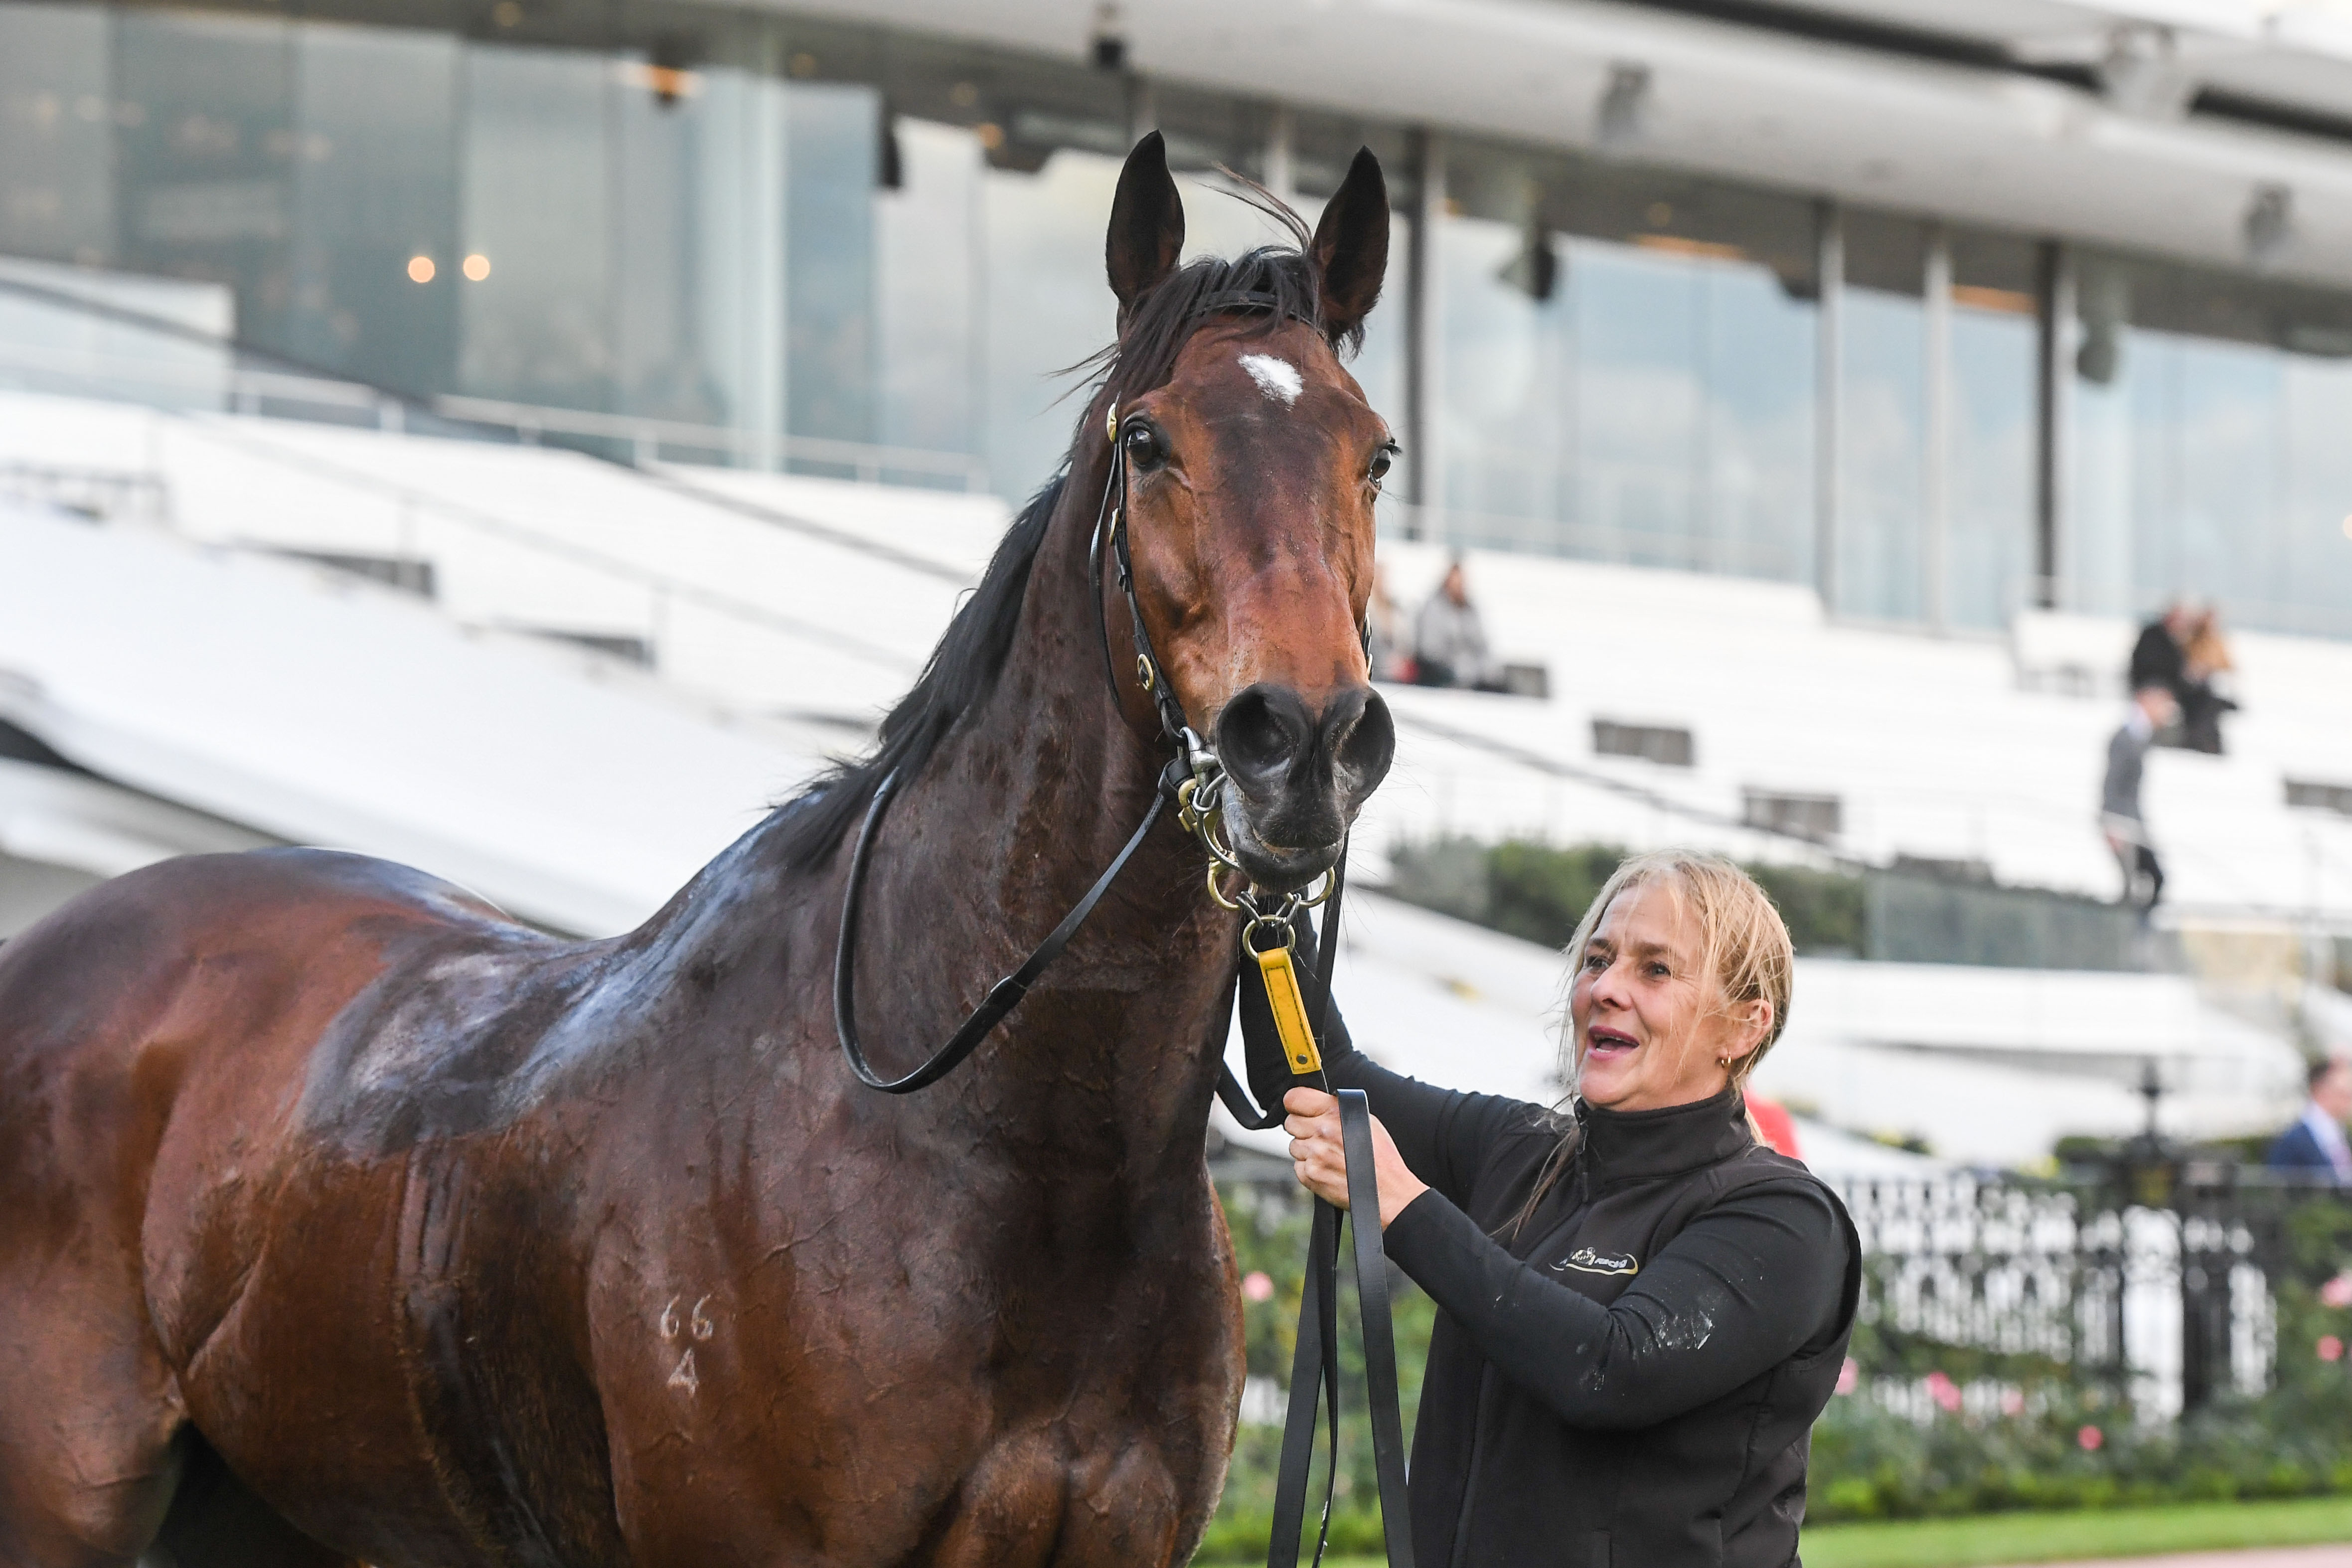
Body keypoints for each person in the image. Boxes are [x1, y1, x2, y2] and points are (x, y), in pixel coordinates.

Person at [1268, 850, 1859, 1568]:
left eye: (1655, 969)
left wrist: (1401, 1203)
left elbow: (1608, 1370)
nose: (1605, 987)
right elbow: (1322, 1075)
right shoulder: (1516, 1149)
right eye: (1596, 959)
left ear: (1743, 1026)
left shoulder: (1786, 1218)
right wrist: (1266, 881)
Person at [2102, 682, 2178, 914]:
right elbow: (2113, 783)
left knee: (2151, 880)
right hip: (2124, 823)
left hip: (2133, 822)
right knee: (2133, 885)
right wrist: (2112, 823)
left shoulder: (2141, 736)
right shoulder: (2126, 737)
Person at [1412, 558, 1498, 690]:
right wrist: (1457, 668)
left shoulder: (1471, 610)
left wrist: (1481, 670)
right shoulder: (1433, 609)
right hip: (1441, 671)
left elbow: (1482, 646)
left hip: (1471, 673)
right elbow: (1430, 649)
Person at [2267, 1056, 2352, 1182]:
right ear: (2323, 1090)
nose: (2348, 1100)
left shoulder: (2339, 1132)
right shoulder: (2293, 1139)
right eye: (2344, 1093)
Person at [2178, 608, 2238, 756]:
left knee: (2210, 707)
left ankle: (2210, 745)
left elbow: (2229, 666)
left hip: (2211, 687)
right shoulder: (2190, 640)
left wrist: (2210, 669)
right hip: (2192, 688)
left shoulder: (2217, 642)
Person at [1365, 564, 1414, 683]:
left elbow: (1406, 641)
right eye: (1379, 577)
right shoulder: (1366, 609)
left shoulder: (1394, 609)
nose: (1382, 581)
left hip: (1396, 671)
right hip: (1375, 671)